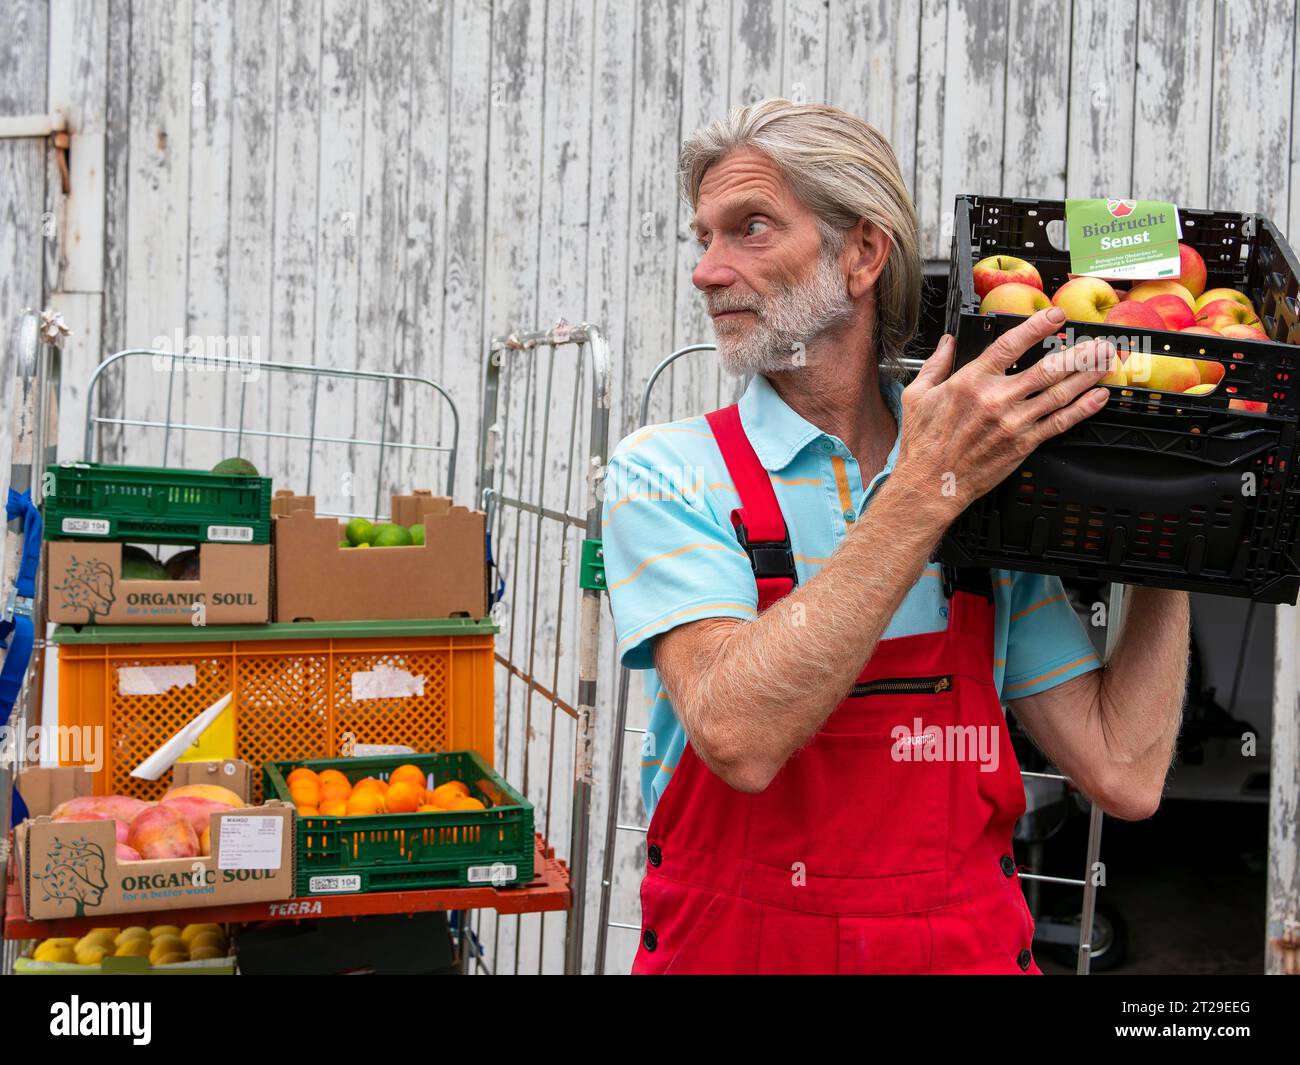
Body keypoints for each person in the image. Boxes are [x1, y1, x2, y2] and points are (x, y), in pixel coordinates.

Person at [601, 99, 1188, 975]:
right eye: (703, 237)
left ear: (862, 254)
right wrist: (929, 486)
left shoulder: (987, 491)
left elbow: (1123, 770)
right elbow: (740, 733)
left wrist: (1166, 522)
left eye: (749, 228)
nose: (707, 271)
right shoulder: (667, 473)